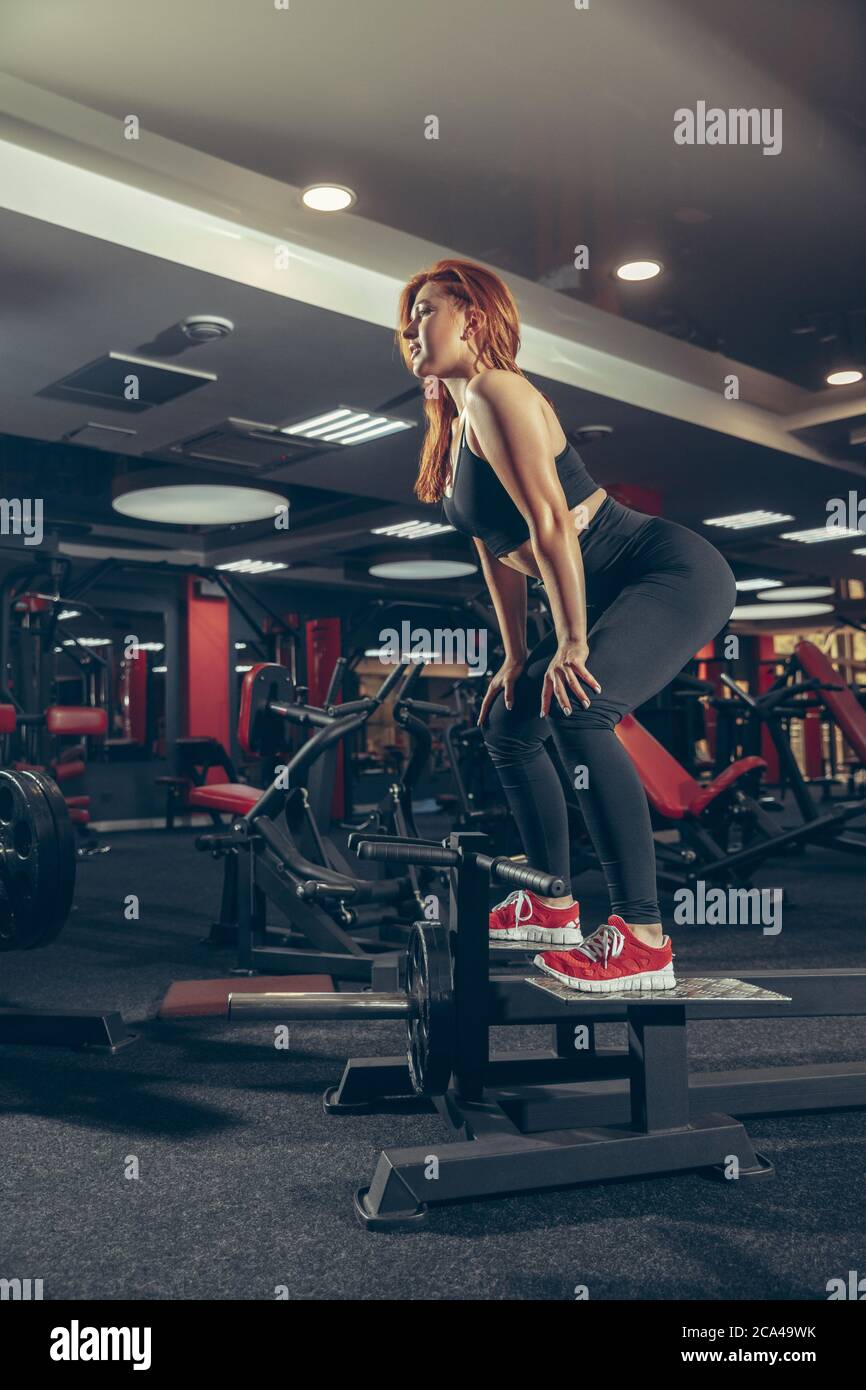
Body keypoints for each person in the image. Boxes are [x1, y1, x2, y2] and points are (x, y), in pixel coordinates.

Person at [397, 259, 736, 993]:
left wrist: (573, 643)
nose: (411, 326)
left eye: (427, 309)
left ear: (474, 318)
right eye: (408, 314)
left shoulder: (498, 389)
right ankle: (553, 903)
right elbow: (495, 546)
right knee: (510, 726)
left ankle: (642, 936)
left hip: (667, 572)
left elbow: (551, 520)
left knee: (581, 706)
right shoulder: (459, 423)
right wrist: (517, 656)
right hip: (608, 585)